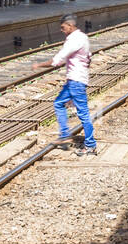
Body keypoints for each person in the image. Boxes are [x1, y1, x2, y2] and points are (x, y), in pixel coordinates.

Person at [32, 13, 97, 156]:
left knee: (83, 113)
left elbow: (57, 60)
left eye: (63, 27)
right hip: (75, 80)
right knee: (59, 103)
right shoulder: (83, 37)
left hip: (76, 81)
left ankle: (90, 145)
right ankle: (64, 135)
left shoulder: (73, 40)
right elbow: (89, 57)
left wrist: (39, 65)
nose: (62, 30)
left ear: (70, 25)